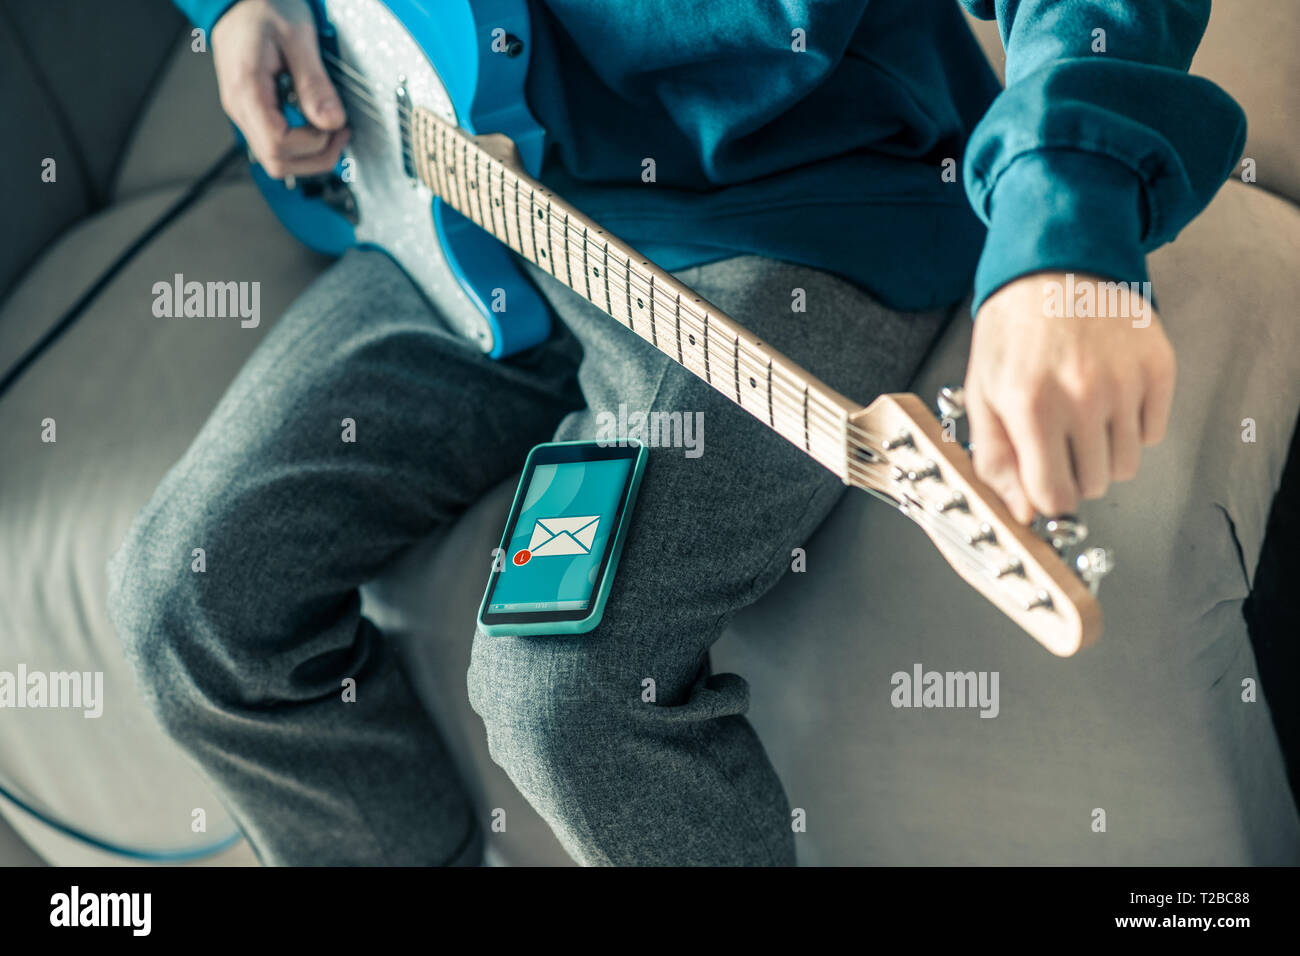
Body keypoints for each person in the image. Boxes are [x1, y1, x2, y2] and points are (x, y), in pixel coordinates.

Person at [108, 0, 1245, 864]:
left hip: (785, 217)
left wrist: (1062, 227)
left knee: (559, 690)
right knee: (186, 602)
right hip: (444, 204)